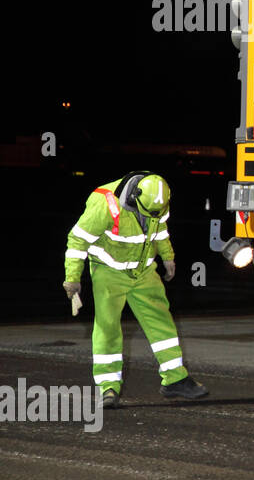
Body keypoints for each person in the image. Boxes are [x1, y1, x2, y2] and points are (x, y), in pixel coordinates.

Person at [63, 173, 208, 407]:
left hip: (143, 271)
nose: (150, 216)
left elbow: (159, 230)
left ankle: (175, 379)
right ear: (133, 198)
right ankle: (108, 387)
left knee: (162, 323)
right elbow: (77, 240)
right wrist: (72, 278)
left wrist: (167, 257)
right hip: (108, 271)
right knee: (107, 327)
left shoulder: (156, 202)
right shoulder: (105, 204)